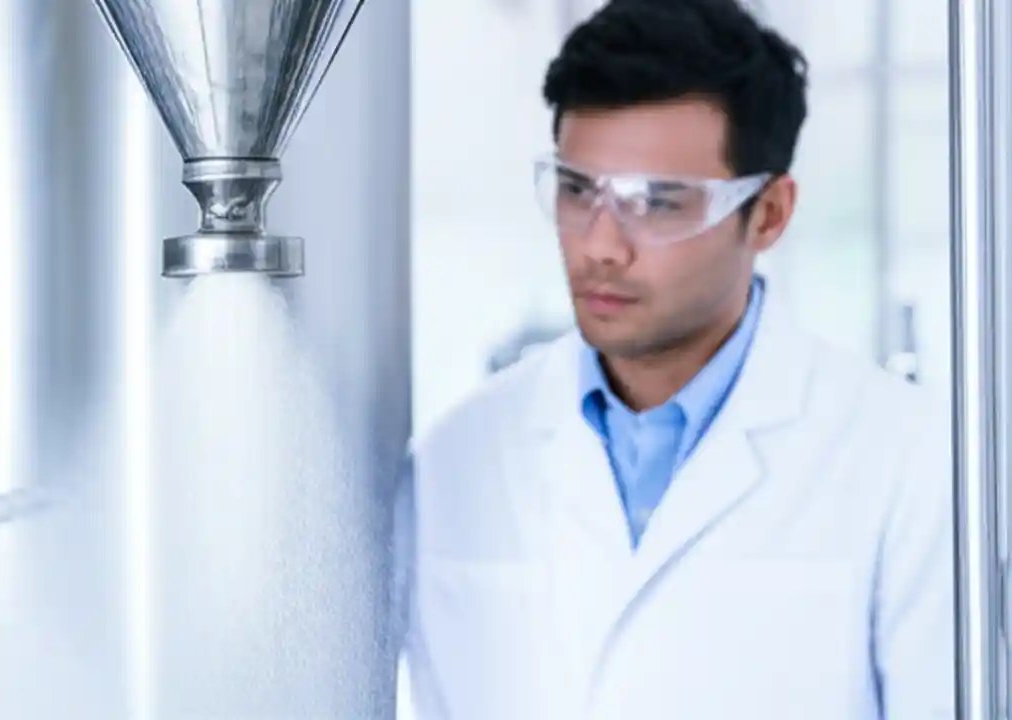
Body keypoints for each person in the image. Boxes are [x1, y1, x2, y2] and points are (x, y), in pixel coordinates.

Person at [393, 0, 955, 718]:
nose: (601, 244)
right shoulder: (454, 462)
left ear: (770, 214)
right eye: (576, 190)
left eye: (657, 203)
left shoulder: (906, 460)